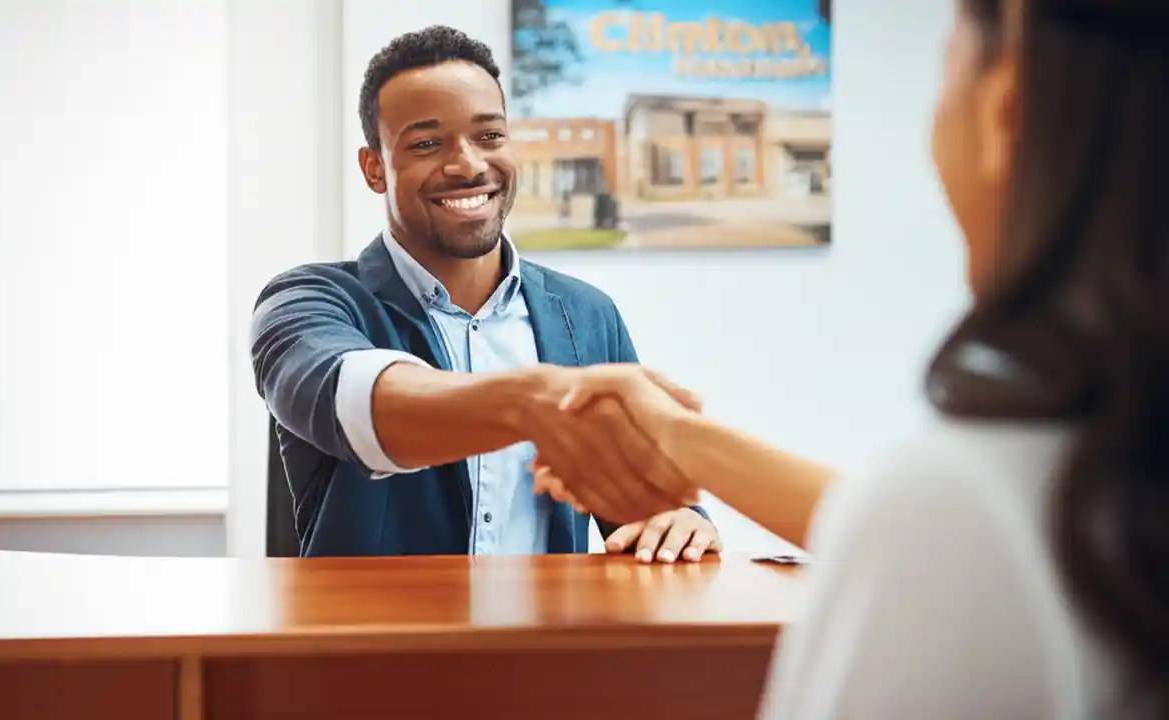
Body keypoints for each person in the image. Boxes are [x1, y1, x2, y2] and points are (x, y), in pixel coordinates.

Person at [536, 0, 1169, 716]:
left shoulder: (962, 511)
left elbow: (923, 522)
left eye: (946, 67)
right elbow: (866, 512)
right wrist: (680, 437)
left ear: (1004, 112)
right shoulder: (1094, 475)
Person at [250, 26, 718, 561]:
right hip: (376, 642)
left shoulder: (587, 314)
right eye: (427, 143)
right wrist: (533, 402)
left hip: (550, 642)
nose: (469, 164)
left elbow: (635, 501)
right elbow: (356, 404)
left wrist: (673, 520)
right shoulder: (306, 301)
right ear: (375, 167)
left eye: (489, 136)